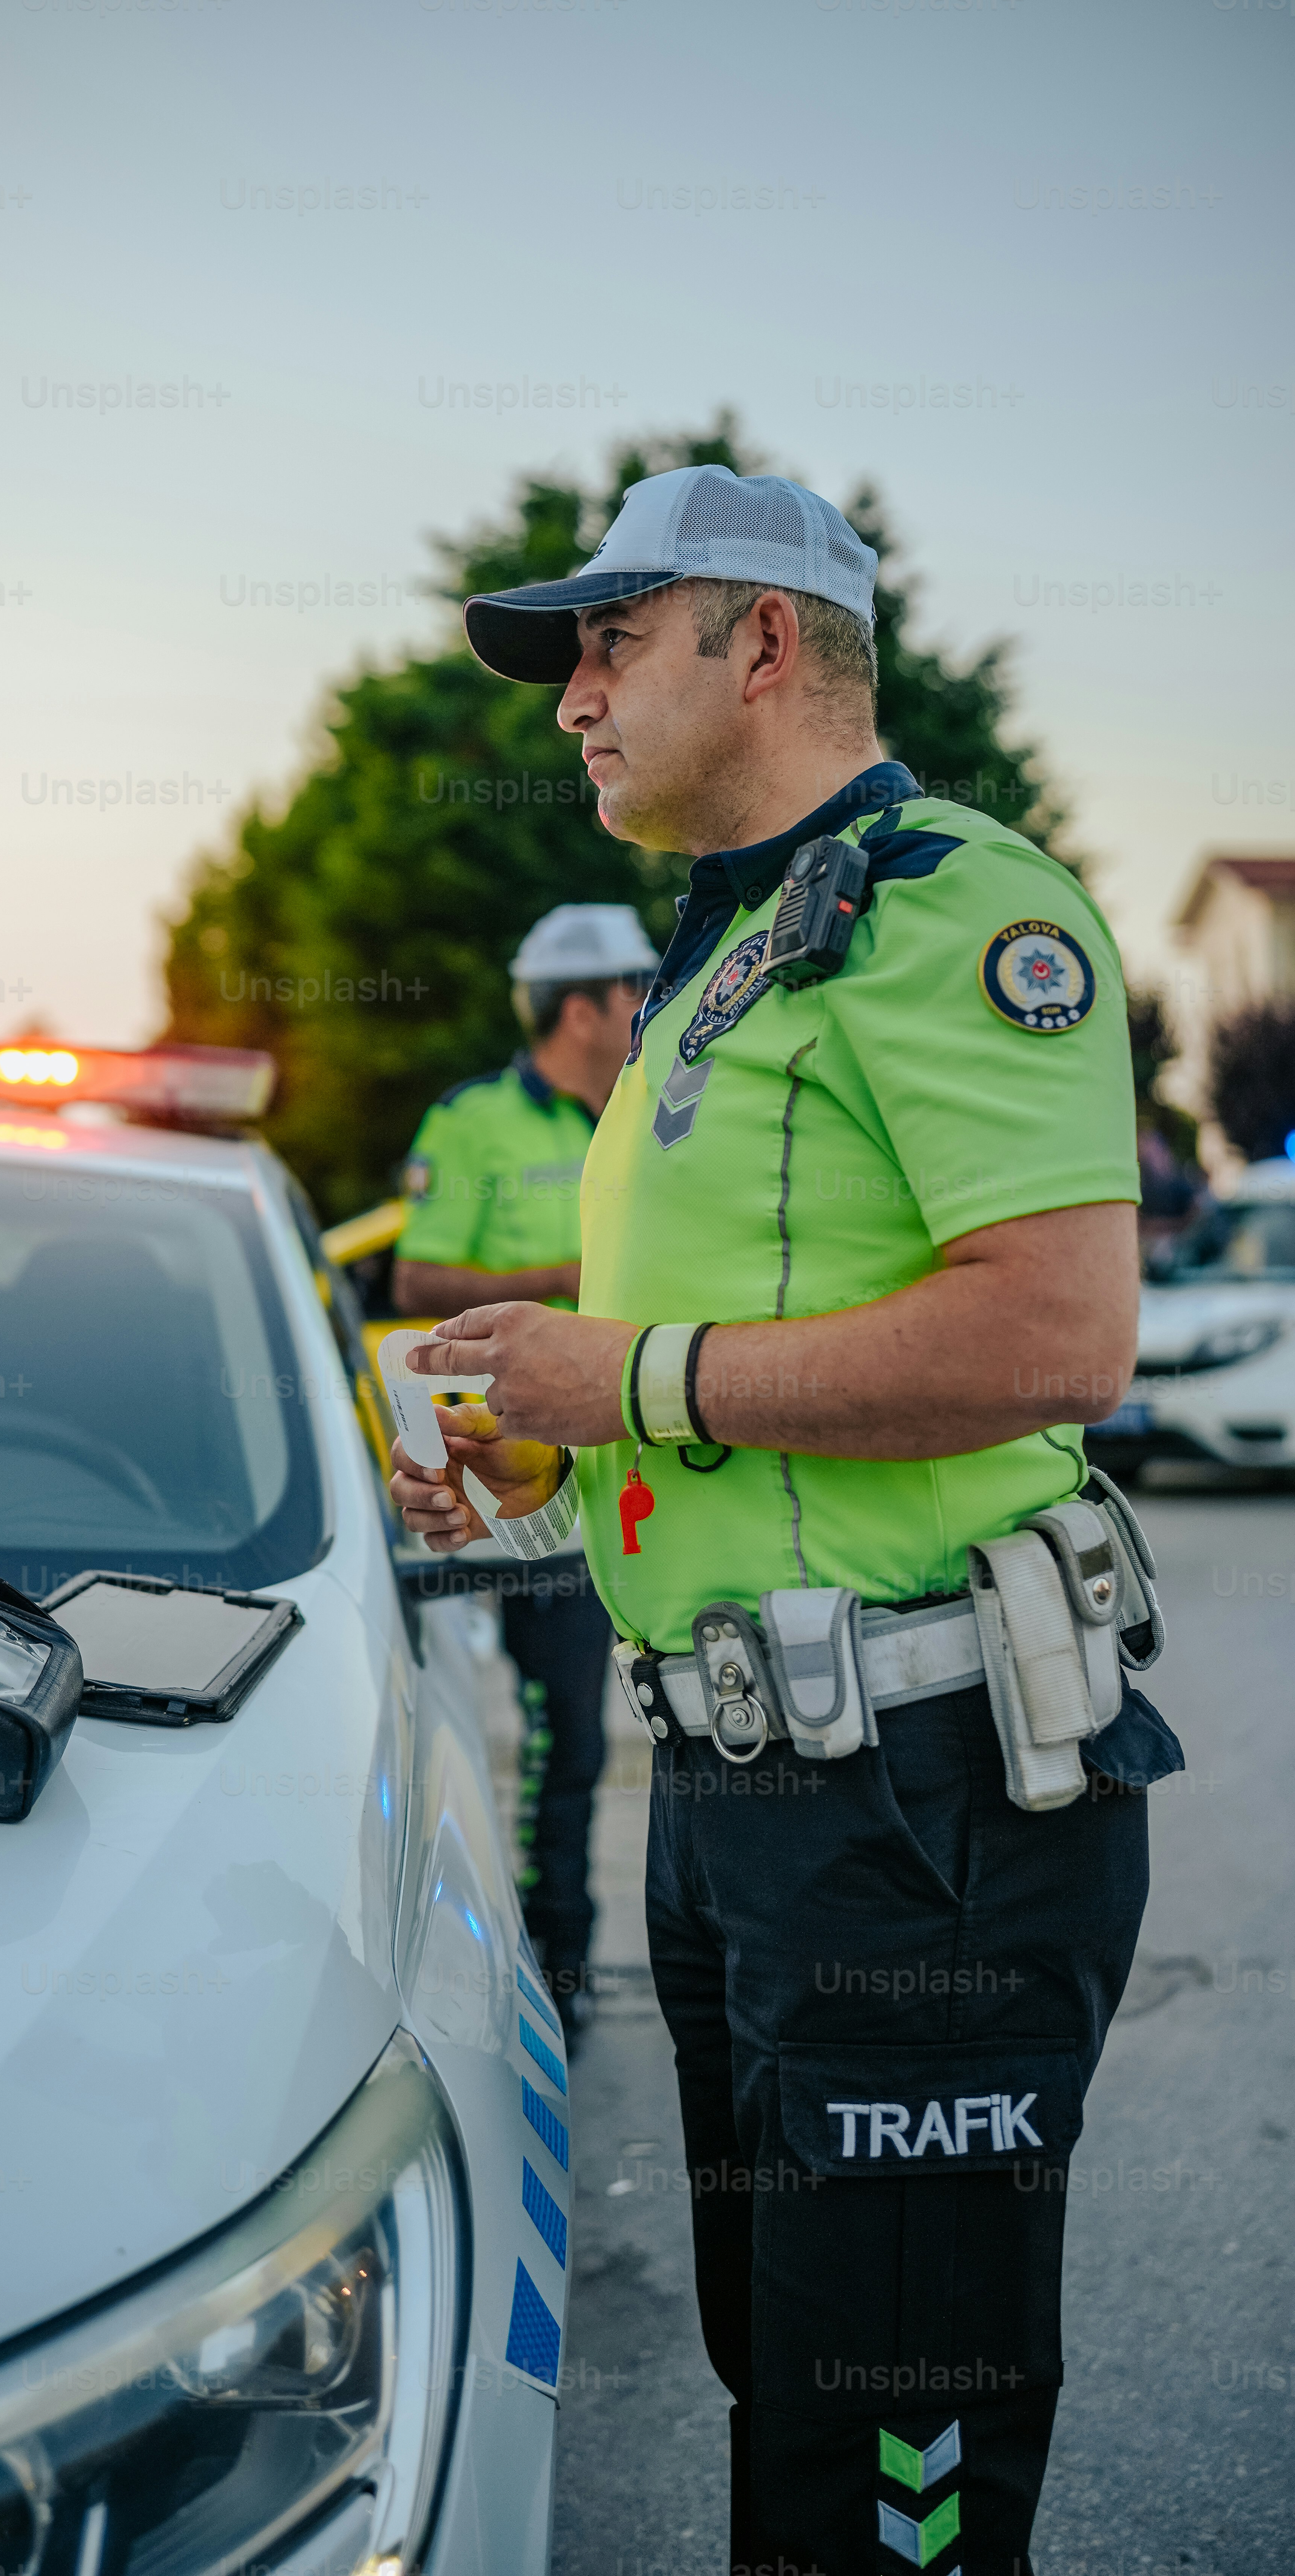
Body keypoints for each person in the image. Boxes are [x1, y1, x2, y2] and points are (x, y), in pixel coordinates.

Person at [388, 463, 1182, 2575]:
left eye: (608, 642)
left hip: (919, 1808)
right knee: (797, 2391)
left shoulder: (948, 899)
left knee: (889, 2456)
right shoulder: (735, 941)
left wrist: (627, 1378)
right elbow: (773, 1334)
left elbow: (1057, 1332)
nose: (570, 701)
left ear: (760, 640)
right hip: (758, 1788)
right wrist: (572, 1433)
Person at [393, 904, 659, 2038]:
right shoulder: (474, 1121)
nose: (653, 1003)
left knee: (574, 1735)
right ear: (584, 1007)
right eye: (636, 986)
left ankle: (563, 1966)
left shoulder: (660, 1111)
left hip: (616, 1459)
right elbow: (415, 1283)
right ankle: (476, 1953)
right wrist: (575, 1279)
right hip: (492, 1458)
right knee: (495, 1723)